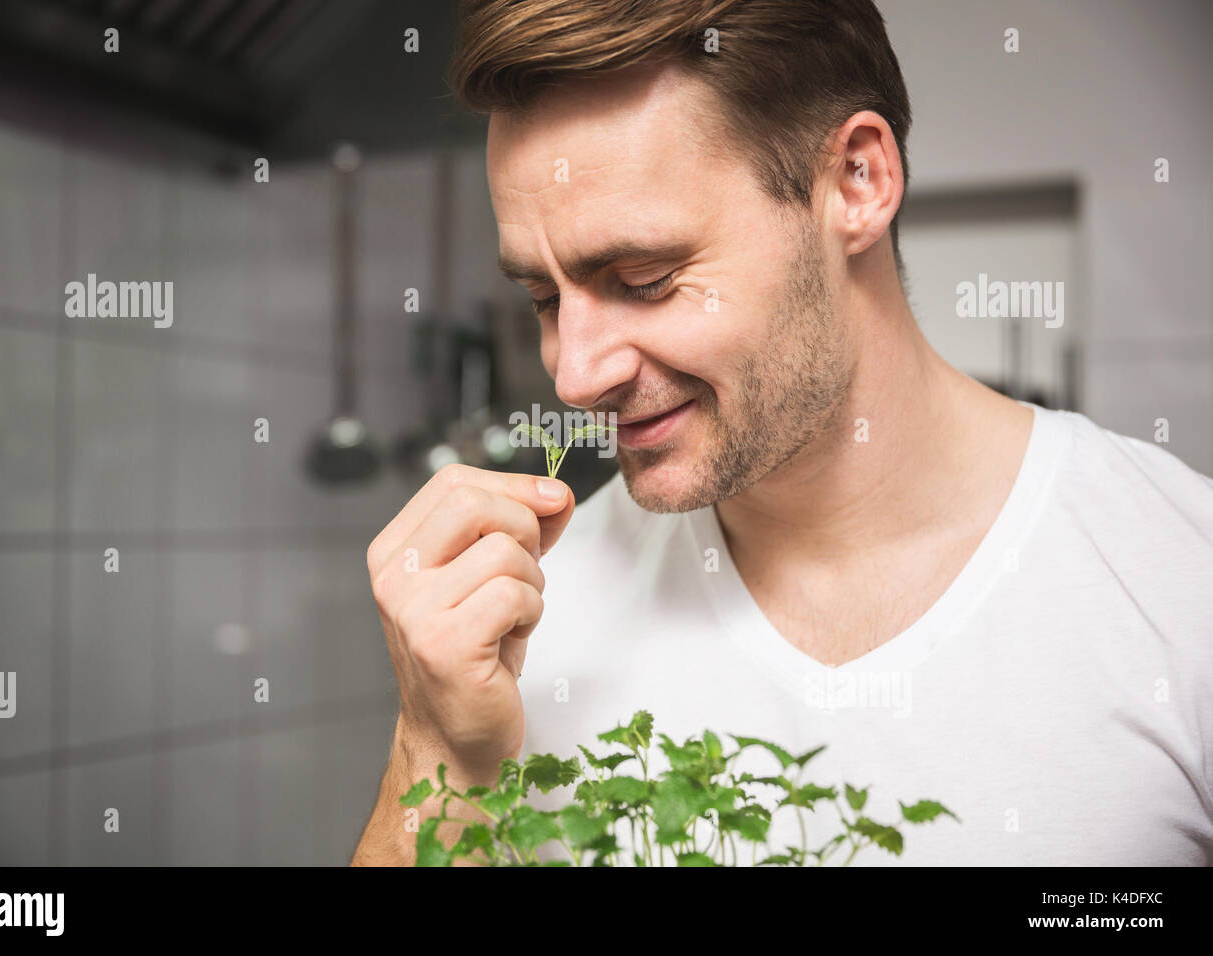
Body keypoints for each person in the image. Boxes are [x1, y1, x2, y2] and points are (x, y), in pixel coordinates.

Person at [351, 0, 1213, 865]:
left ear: (855, 183)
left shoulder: (1179, 582)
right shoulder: (529, 628)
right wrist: (435, 751)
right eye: (544, 299)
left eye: (645, 278)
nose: (575, 377)